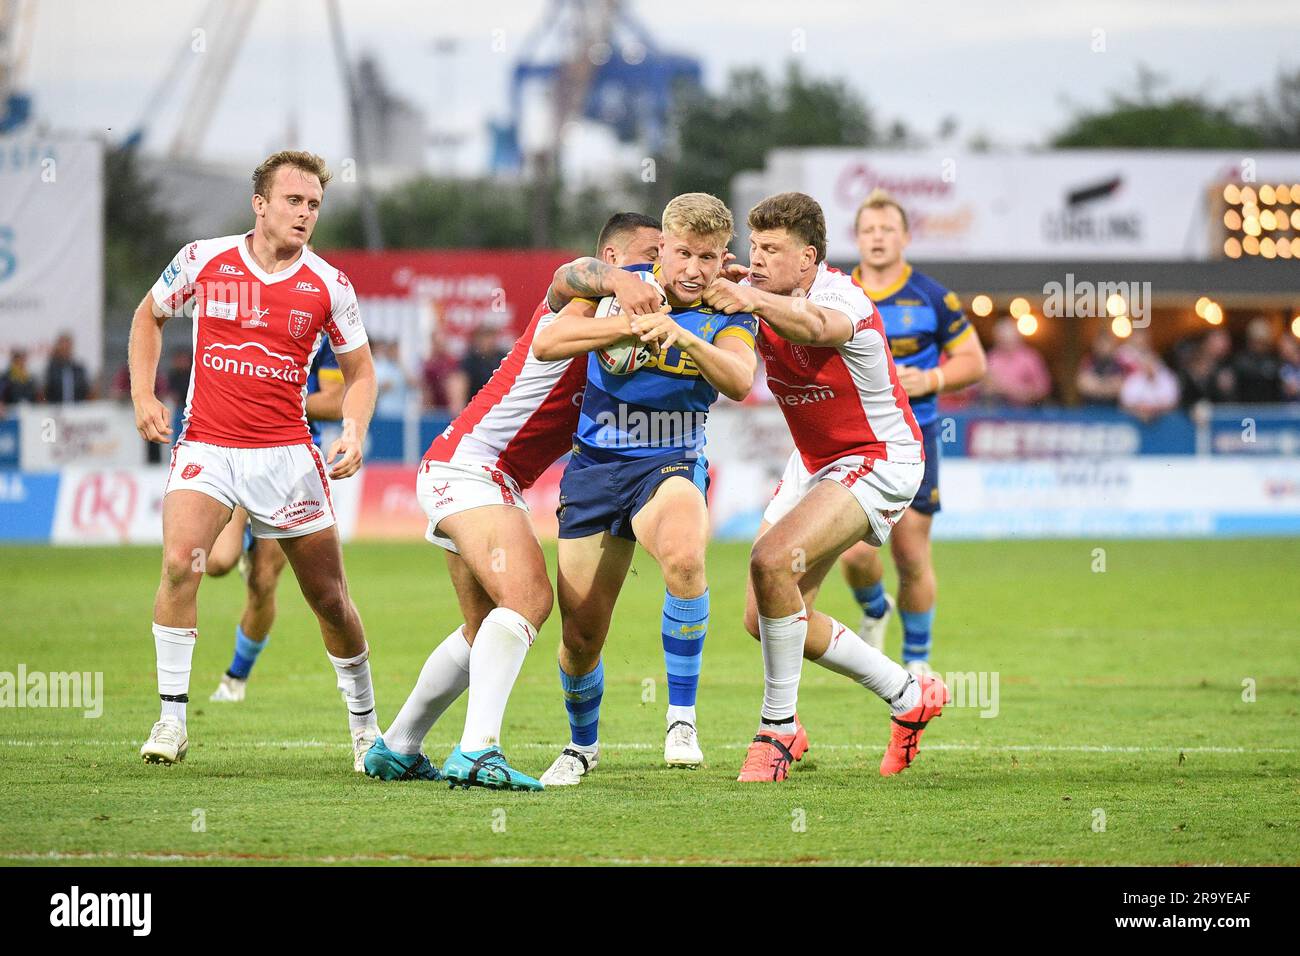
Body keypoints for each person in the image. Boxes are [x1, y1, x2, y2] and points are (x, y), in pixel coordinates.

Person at [362, 212, 665, 791]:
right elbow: (566, 276)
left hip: (478, 473)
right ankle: (478, 752)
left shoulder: (631, 321)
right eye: (646, 253)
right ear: (611, 254)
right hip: (472, 468)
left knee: (482, 629)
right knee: (528, 598)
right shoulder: (580, 304)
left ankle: (397, 746)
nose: (653, 265)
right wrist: (618, 284)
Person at [130, 150, 380, 771]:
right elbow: (148, 315)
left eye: (314, 204)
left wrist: (354, 427)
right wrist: (142, 392)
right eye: (293, 201)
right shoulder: (202, 260)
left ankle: (366, 728)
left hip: (288, 458)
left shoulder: (328, 284)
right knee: (180, 565)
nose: (304, 214)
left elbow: (360, 371)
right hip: (208, 448)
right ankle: (171, 721)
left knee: (329, 599)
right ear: (260, 204)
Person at [703, 191, 949, 782]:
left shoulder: (841, 295)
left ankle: (778, 730)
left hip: (879, 456)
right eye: (753, 247)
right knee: (763, 616)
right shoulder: (758, 297)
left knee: (769, 560)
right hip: (814, 462)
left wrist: (749, 296)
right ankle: (907, 693)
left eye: (772, 249)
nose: (756, 259)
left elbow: (816, 327)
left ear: (809, 257)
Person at [529, 193, 757, 787]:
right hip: (596, 468)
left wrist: (684, 339)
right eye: (683, 253)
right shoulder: (621, 287)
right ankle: (582, 748)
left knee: (685, 556)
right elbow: (547, 343)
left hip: (672, 462)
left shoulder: (729, 308)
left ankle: (681, 720)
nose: (694, 270)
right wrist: (627, 324)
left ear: (721, 257)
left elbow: (738, 379)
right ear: (663, 250)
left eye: (708, 257)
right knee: (580, 635)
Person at [837, 190, 987, 674]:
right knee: (855, 557)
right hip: (855, 442)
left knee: (910, 555)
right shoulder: (837, 293)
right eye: (868, 230)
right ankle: (876, 608)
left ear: (904, 236)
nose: (878, 238)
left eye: (887, 230)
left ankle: (917, 664)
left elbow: (975, 361)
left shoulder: (932, 296)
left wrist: (934, 378)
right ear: (856, 238)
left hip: (916, 439)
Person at [205, 340, 345, 702]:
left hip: (291, 465)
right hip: (235, 452)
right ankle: (243, 540)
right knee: (218, 562)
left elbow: (336, 401)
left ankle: (236, 677)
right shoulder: (238, 319)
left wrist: (277, 397)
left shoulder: (320, 334)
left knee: (263, 582)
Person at [983, 317, 1051, 406]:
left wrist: (1024, 392)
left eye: (1009, 340)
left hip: (1027, 411)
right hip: (998, 409)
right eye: (1002, 340)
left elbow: (1044, 388)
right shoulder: (991, 358)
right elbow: (983, 387)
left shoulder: (1030, 357)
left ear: (1018, 338)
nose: (1006, 344)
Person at [1118, 330, 1179, 421]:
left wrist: (1155, 409)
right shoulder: (1133, 375)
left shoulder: (1164, 374)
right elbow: (1126, 402)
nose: (1149, 366)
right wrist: (1139, 409)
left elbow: (1173, 400)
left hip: (1163, 420)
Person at [1233, 318, 1283, 402]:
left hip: (1271, 409)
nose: (1259, 345)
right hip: (1244, 409)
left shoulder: (1274, 360)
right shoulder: (1240, 360)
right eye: (1256, 341)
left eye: (1262, 342)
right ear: (1249, 340)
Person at [1076, 329, 1127, 406]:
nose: (1103, 347)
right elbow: (1083, 385)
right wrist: (1108, 385)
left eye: (1107, 343)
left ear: (1113, 345)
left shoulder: (1119, 363)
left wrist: (1096, 385)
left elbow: (1119, 388)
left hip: (1113, 411)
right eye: (1100, 343)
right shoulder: (1088, 361)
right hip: (1089, 410)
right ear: (1095, 344)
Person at [44, 333, 92, 403]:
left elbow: (86, 390)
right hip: (57, 409)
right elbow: (46, 392)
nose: (65, 349)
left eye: (67, 346)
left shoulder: (79, 369)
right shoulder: (51, 369)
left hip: (78, 409)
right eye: (62, 346)